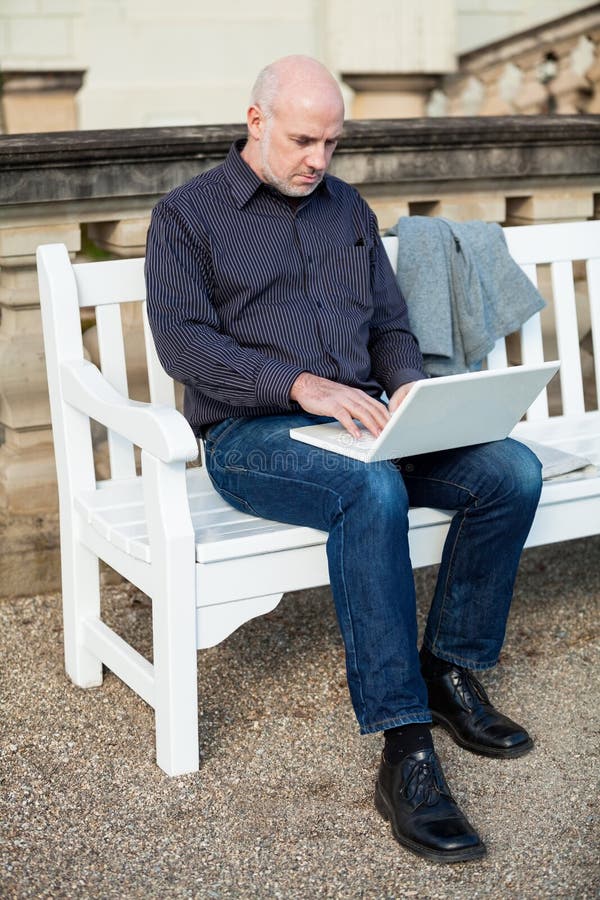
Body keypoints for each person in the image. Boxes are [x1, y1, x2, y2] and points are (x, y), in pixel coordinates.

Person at [145, 55, 542, 864]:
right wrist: (299, 384)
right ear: (255, 121)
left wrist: (404, 390)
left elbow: (393, 327)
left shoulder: (348, 209)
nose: (316, 160)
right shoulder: (185, 217)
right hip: (251, 440)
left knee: (512, 472)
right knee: (371, 493)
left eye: (331, 143)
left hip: (366, 427)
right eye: (301, 140)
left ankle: (451, 670)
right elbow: (183, 345)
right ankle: (406, 748)